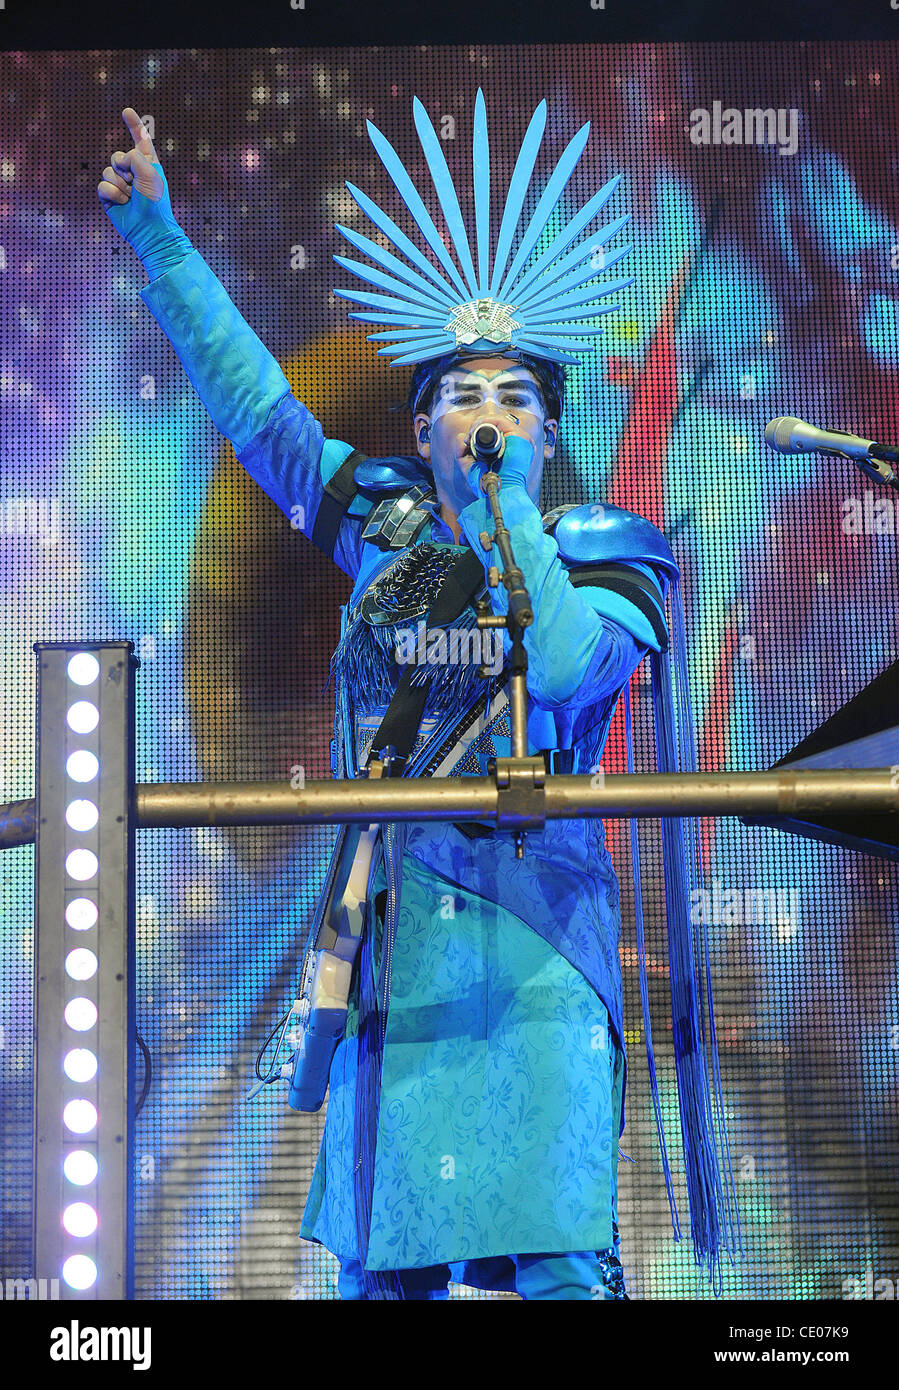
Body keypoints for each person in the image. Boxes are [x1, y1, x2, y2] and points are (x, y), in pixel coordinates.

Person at [98, 93, 737, 1300]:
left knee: (553, 1264)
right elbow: (263, 422)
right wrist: (164, 243)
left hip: (537, 962)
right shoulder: (382, 532)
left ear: (549, 432)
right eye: (460, 395)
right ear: (419, 424)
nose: (485, 416)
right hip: (393, 959)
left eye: (513, 399)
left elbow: (554, 669)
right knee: (380, 1272)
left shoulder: (608, 558)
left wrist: (504, 522)